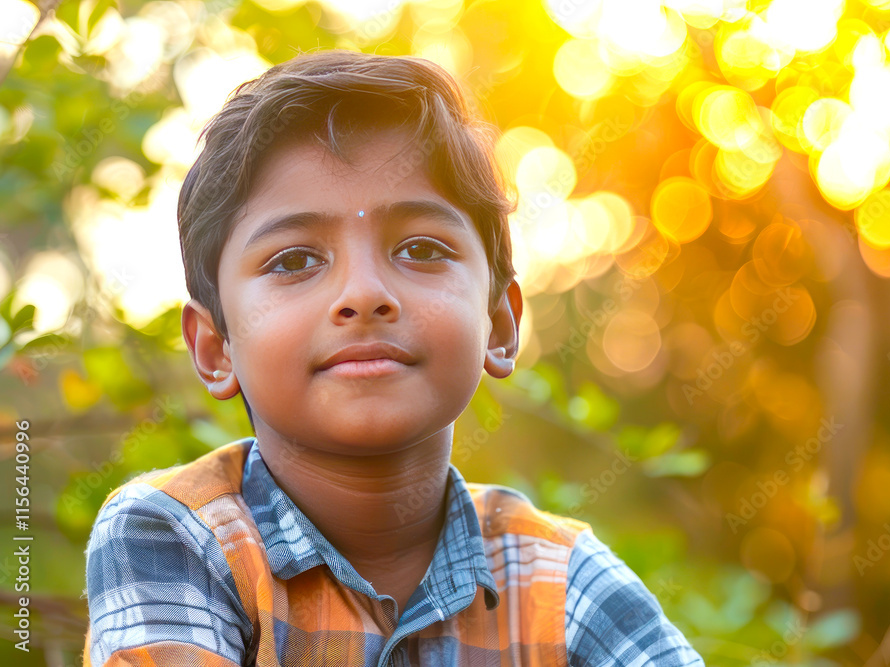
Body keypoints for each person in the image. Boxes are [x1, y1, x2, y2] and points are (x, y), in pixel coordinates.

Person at [82, 49, 705, 667]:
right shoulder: (173, 537)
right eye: (295, 260)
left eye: (421, 248)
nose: (364, 295)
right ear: (216, 347)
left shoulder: (565, 583)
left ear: (499, 322)